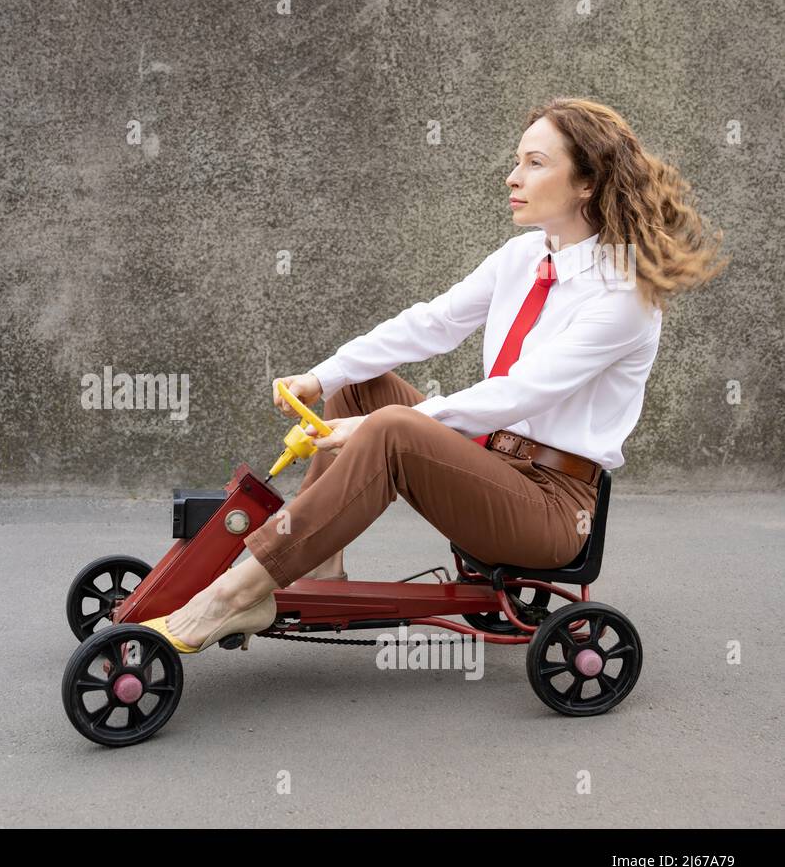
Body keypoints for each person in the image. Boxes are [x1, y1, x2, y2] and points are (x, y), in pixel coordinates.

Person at [142, 96, 728, 654]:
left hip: (550, 505)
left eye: (534, 162)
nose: (512, 176)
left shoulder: (622, 296)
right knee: (359, 389)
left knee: (391, 426)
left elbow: (519, 391)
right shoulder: (524, 257)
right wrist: (323, 377)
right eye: (515, 160)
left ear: (588, 183)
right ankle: (320, 569)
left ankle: (237, 593)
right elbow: (433, 322)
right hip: (493, 463)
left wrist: (375, 427)